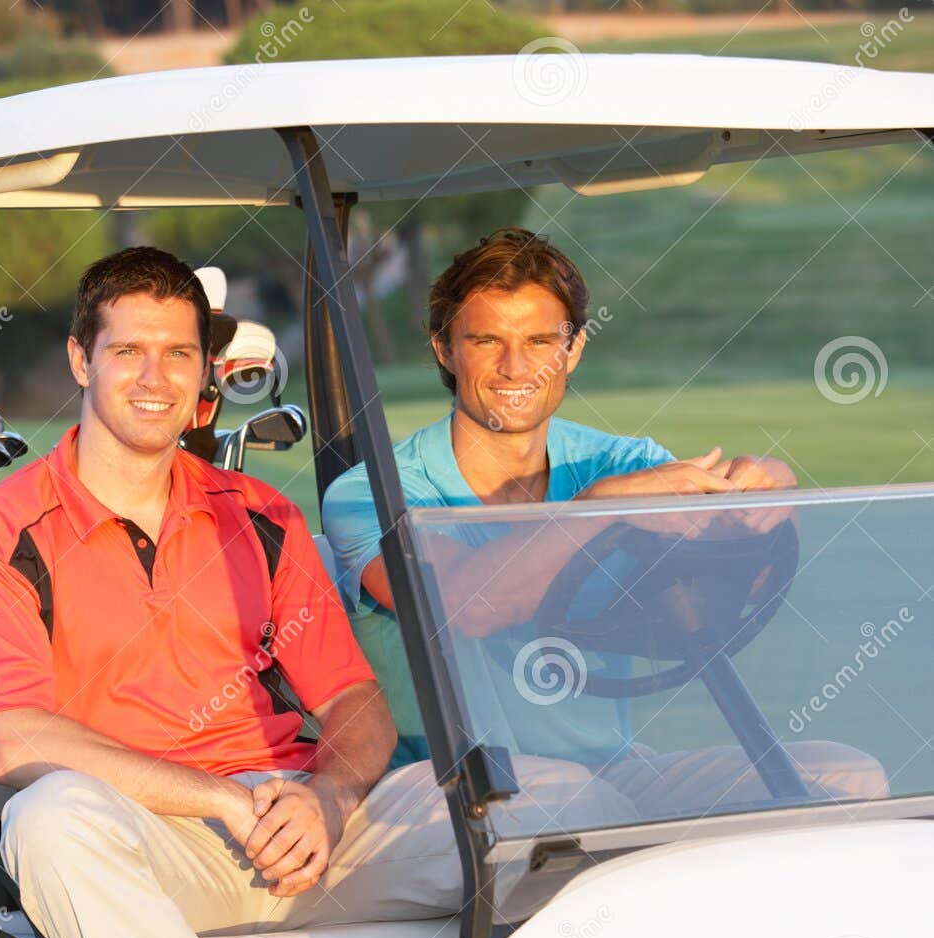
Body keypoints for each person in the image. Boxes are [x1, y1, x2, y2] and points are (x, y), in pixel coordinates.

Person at [0, 248, 458, 938]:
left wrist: (337, 799)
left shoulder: (258, 517)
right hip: (155, 843)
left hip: (305, 823)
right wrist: (218, 801)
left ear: (207, 373)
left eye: (178, 353)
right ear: (81, 358)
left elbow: (353, 703)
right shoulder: (1, 531)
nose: (153, 376)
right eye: (127, 349)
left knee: (517, 809)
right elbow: (14, 737)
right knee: (48, 821)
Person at [322, 227, 884, 816]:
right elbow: (470, 603)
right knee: (577, 805)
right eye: (487, 340)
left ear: (575, 348)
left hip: (607, 770)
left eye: (540, 340)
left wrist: (768, 490)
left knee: (847, 776)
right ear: (444, 348)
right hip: (456, 787)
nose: (516, 368)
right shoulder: (372, 493)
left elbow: (728, 582)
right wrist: (593, 510)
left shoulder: (623, 464)